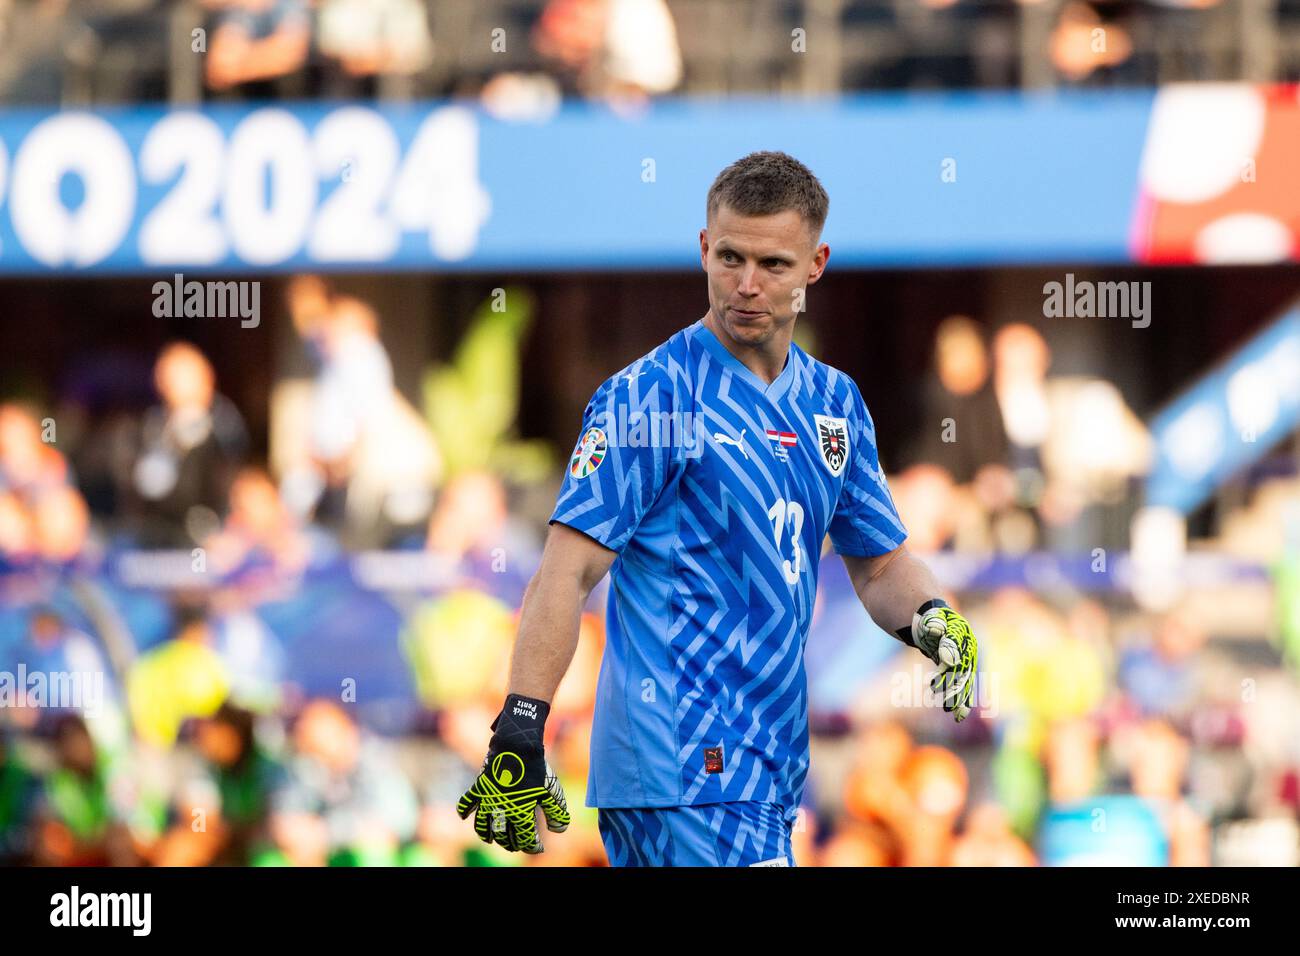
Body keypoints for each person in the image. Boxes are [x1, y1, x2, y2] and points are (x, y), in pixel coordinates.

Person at [457, 151, 981, 866]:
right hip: (676, 759)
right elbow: (565, 573)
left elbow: (882, 563)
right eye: (729, 257)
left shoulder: (836, 406)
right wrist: (520, 726)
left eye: (773, 265)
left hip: (768, 765)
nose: (746, 285)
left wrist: (934, 619)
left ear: (815, 264)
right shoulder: (648, 398)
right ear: (704, 248)